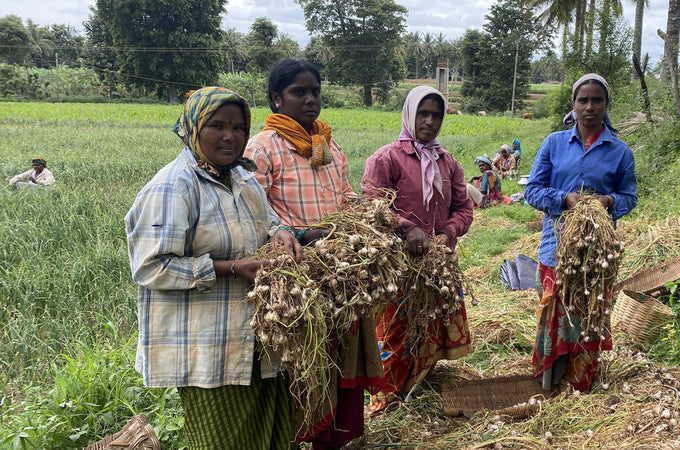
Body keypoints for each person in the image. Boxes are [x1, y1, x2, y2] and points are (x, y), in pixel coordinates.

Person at [124, 87, 303, 449]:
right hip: (208, 348)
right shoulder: (174, 186)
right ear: (192, 128)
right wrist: (231, 268)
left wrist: (282, 233)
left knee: (274, 435)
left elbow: (270, 222)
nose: (230, 136)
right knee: (223, 441)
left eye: (238, 128)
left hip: (258, 336)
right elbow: (150, 267)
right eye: (217, 126)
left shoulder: (242, 180)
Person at [243, 58, 384, 450]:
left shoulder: (326, 144)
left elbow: (344, 194)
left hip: (339, 269)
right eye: (298, 92)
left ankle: (335, 438)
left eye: (315, 92)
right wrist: (300, 234)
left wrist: (369, 215)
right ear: (276, 99)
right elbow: (255, 212)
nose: (310, 100)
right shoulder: (263, 147)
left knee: (342, 355)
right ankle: (304, 435)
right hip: (298, 274)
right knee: (307, 361)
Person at [361, 85, 474, 412]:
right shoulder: (386, 159)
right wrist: (407, 228)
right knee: (396, 329)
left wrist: (448, 233)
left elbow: (464, 208)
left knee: (430, 323)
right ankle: (386, 399)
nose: (429, 121)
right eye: (423, 114)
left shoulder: (448, 163)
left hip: (437, 263)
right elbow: (371, 206)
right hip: (398, 265)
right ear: (410, 115)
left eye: (436, 115)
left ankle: (418, 384)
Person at [524, 73, 637, 392]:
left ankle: (580, 388)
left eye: (596, 100)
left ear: (606, 104)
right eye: (582, 100)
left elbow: (629, 197)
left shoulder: (620, 152)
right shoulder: (555, 143)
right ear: (573, 105)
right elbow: (532, 191)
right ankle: (549, 385)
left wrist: (607, 201)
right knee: (554, 318)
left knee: (588, 318)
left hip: (596, 255)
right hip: (556, 249)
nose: (589, 106)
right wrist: (564, 199)